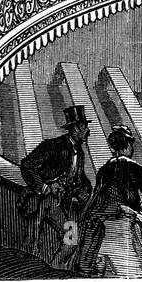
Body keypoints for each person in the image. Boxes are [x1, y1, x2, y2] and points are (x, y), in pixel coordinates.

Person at [76, 125, 142, 277]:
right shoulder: (134, 167)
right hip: (125, 224)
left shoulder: (103, 170)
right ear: (127, 146)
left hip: (105, 228)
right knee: (137, 270)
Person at [18, 105, 93, 267]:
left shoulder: (79, 152)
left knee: (71, 240)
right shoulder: (53, 145)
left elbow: (80, 178)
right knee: (31, 244)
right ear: (76, 128)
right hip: (40, 202)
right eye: (85, 127)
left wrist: (86, 191)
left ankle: (55, 270)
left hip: (60, 204)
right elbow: (27, 165)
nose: (88, 131)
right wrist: (44, 187)